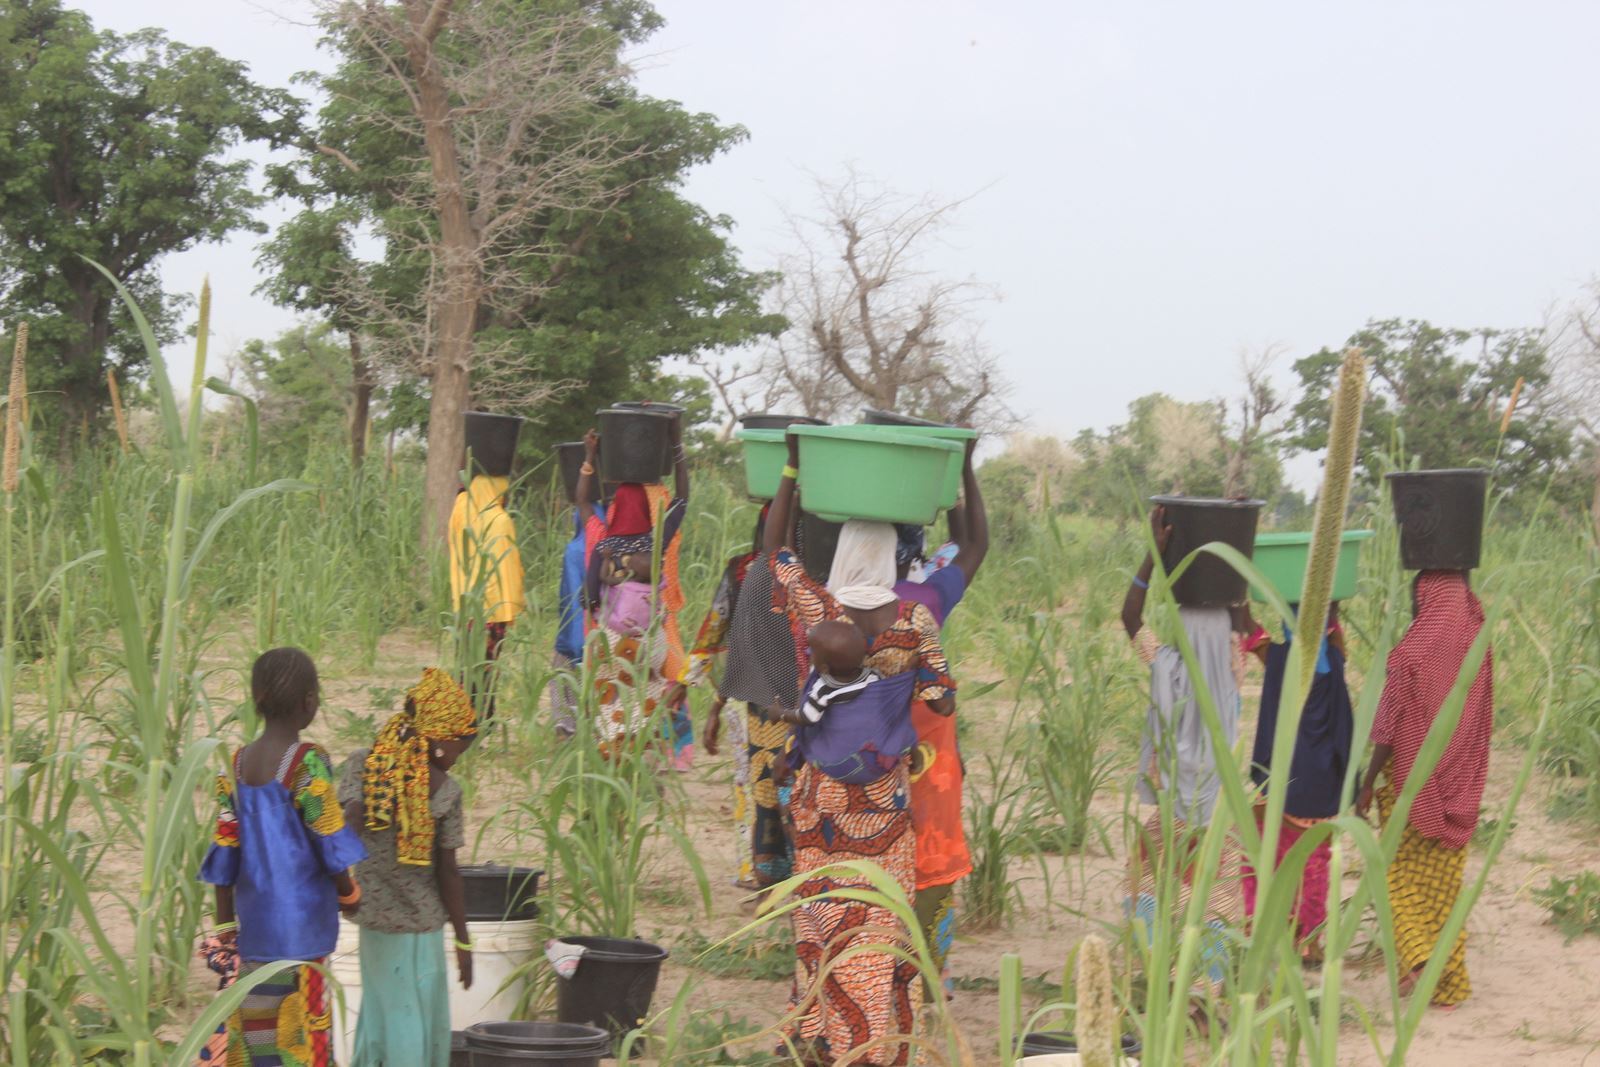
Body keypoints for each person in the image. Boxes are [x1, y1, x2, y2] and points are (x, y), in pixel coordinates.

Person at [761, 434, 956, 1067]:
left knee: (819, 916)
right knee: (877, 920)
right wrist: (895, 689)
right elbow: (943, 698)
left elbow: (774, 549)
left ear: (844, 553)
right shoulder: (914, 621)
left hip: (821, 799)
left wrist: (793, 462)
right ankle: (878, 1046)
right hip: (883, 802)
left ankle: (819, 1034)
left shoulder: (819, 608)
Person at [198, 648, 367, 1066]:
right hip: (303, 939)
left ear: (256, 698)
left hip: (254, 934)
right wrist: (350, 895)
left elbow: (226, 848)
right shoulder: (307, 762)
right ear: (309, 702)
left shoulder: (236, 766)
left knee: (258, 1039)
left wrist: (224, 929)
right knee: (303, 1037)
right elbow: (326, 836)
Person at [1120, 506, 1250, 1002]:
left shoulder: (1166, 664)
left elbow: (1129, 616)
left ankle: (1155, 978)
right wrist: (1232, 557)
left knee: (1152, 888)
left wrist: (1155, 554)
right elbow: (1241, 616)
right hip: (1216, 813)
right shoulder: (1234, 669)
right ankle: (1202, 990)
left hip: (1171, 810)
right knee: (1212, 898)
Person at [1356, 570, 1494, 1008]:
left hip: (1411, 782)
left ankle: (1417, 959)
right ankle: (1446, 985)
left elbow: (1387, 726)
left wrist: (1366, 782)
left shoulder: (1410, 656)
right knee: (1442, 887)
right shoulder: (1478, 646)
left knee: (1393, 874)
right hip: (1460, 782)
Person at [338, 668, 477, 1066]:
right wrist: (463, 940)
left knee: (385, 1021)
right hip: (426, 929)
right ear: (437, 739)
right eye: (457, 749)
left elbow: (345, 825)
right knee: (417, 1028)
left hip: (378, 924)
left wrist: (365, 804)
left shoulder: (364, 765)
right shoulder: (446, 791)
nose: (454, 760)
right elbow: (447, 872)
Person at [890, 439, 988, 996]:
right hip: (930, 748)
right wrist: (962, 466)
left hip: (869, 754)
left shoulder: (835, 596)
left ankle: (876, 971)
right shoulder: (924, 594)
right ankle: (928, 976)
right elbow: (973, 541)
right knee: (931, 856)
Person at [667, 505, 775, 888]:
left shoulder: (742, 569)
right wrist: (690, 686)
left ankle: (755, 868)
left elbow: (714, 630)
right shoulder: (804, 575)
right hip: (773, 697)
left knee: (750, 781)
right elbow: (716, 632)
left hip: (747, 695)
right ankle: (772, 868)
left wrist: (687, 683)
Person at [1241, 603, 1355, 963]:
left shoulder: (1278, 659)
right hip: (1324, 787)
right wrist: (1331, 602)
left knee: (1265, 853)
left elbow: (1247, 626)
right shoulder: (1334, 661)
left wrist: (1237, 592)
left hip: (1287, 785)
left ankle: (1266, 926)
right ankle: (1312, 940)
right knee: (1315, 863)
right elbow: (1334, 632)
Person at [580, 422, 689, 758]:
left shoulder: (604, 543)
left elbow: (582, 501)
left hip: (611, 642)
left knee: (609, 705)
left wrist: (590, 457)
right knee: (647, 701)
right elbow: (683, 498)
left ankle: (611, 765)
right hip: (648, 641)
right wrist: (675, 443)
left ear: (615, 510)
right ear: (648, 509)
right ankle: (645, 765)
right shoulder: (655, 543)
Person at [448, 465, 525, 722]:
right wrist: (514, 606)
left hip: (465, 604)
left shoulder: (462, 510)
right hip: (492, 610)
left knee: (465, 667)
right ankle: (481, 720)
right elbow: (509, 568)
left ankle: (460, 720)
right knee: (487, 668)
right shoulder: (500, 520)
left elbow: (461, 492)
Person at [552, 442, 606, 737]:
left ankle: (566, 725)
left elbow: (581, 498)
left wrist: (588, 458)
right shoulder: (608, 533)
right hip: (599, 631)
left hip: (573, 630)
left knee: (563, 668)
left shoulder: (580, 542)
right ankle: (594, 728)